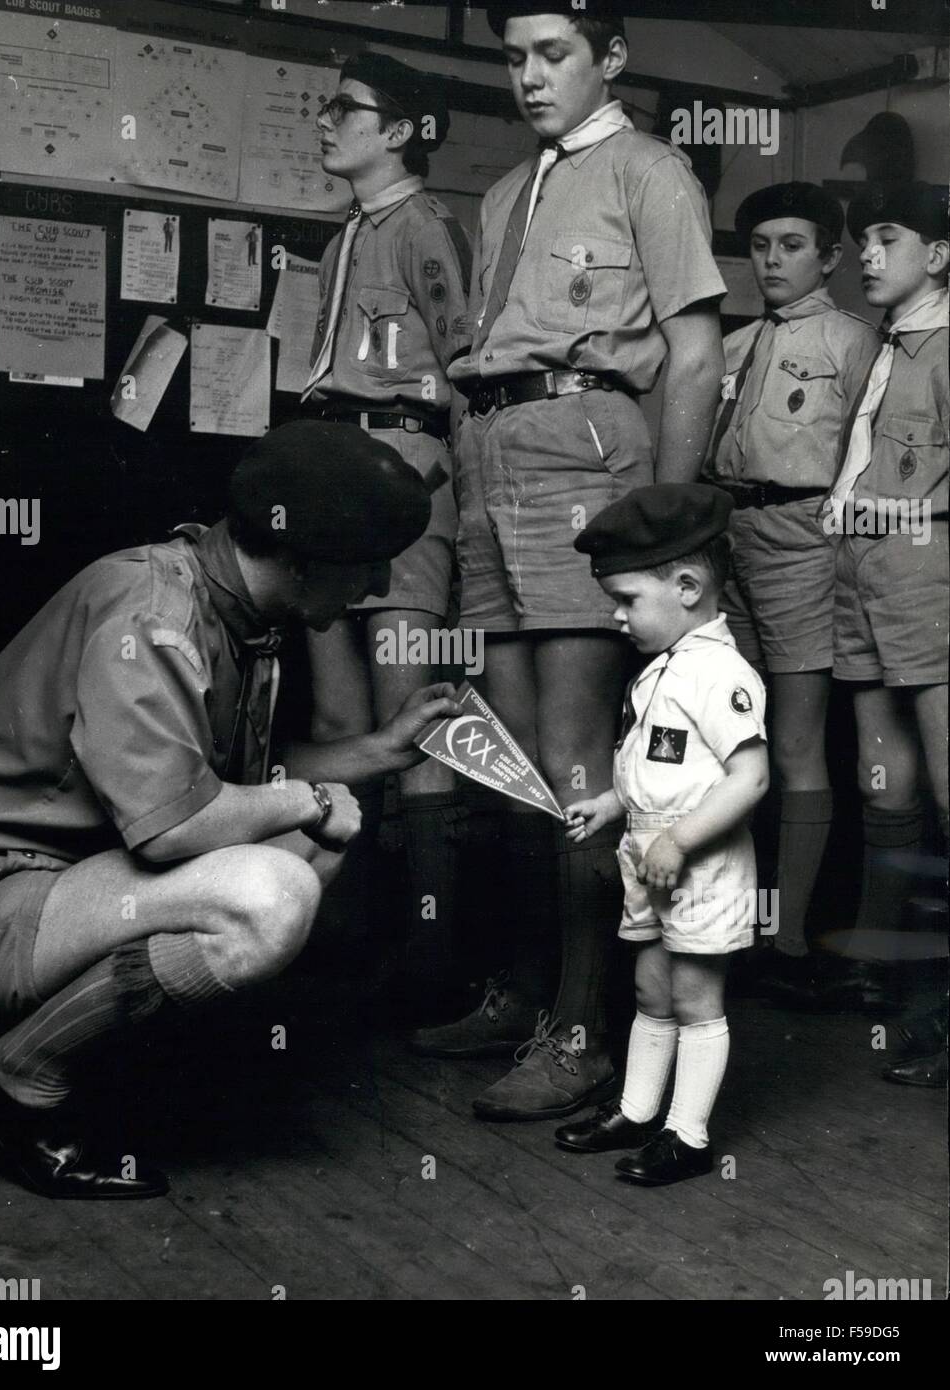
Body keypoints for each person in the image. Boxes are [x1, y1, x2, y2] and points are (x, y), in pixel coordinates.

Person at [0, 421, 462, 1198]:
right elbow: (174, 827)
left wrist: (380, 751)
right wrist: (305, 798)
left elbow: (227, 782)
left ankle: (101, 1053)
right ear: (300, 563)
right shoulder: (153, 613)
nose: (373, 590)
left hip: (69, 888)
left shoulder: (236, 607)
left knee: (300, 843)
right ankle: (17, 1080)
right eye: (367, 568)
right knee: (271, 893)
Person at [413, 1, 726, 1122]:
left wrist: (667, 520)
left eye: (555, 56)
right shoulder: (504, 192)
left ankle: (586, 1027)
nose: (532, 78)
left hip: (586, 456)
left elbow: (694, 350)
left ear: (612, 59)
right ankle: (522, 991)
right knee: (502, 760)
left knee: (578, 761)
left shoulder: (651, 171)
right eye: (515, 58)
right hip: (493, 456)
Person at [303, 53, 472, 999]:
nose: (324, 122)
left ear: (400, 131)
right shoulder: (344, 239)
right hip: (331, 479)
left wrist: (446, 494)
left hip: (404, 480)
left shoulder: (424, 228)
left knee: (410, 726)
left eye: (345, 109)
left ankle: (432, 951)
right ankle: (343, 933)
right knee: (337, 719)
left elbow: (468, 368)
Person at [555, 484, 769, 1185]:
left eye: (625, 600)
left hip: (698, 863)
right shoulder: (664, 666)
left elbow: (748, 778)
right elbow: (662, 768)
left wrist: (678, 841)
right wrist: (612, 803)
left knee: (695, 999)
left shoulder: (719, 672)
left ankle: (690, 1134)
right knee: (651, 990)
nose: (617, 617)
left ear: (685, 586)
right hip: (648, 856)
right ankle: (639, 1110)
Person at [704, 183, 879, 1003]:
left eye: (791, 245)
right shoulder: (734, 345)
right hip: (729, 537)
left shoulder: (855, 342)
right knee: (729, 734)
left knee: (799, 738)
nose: (771, 260)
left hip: (805, 535)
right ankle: (731, 920)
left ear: (831, 257)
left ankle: (790, 939)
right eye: (760, 245)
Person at [824, 181, 948, 1038]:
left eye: (886, 237)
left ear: (936, 256)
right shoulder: (884, 345)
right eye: (861, 240)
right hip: (859, 569)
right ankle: (883, 971)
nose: (867, 254)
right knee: (884, 782)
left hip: (925, 567)